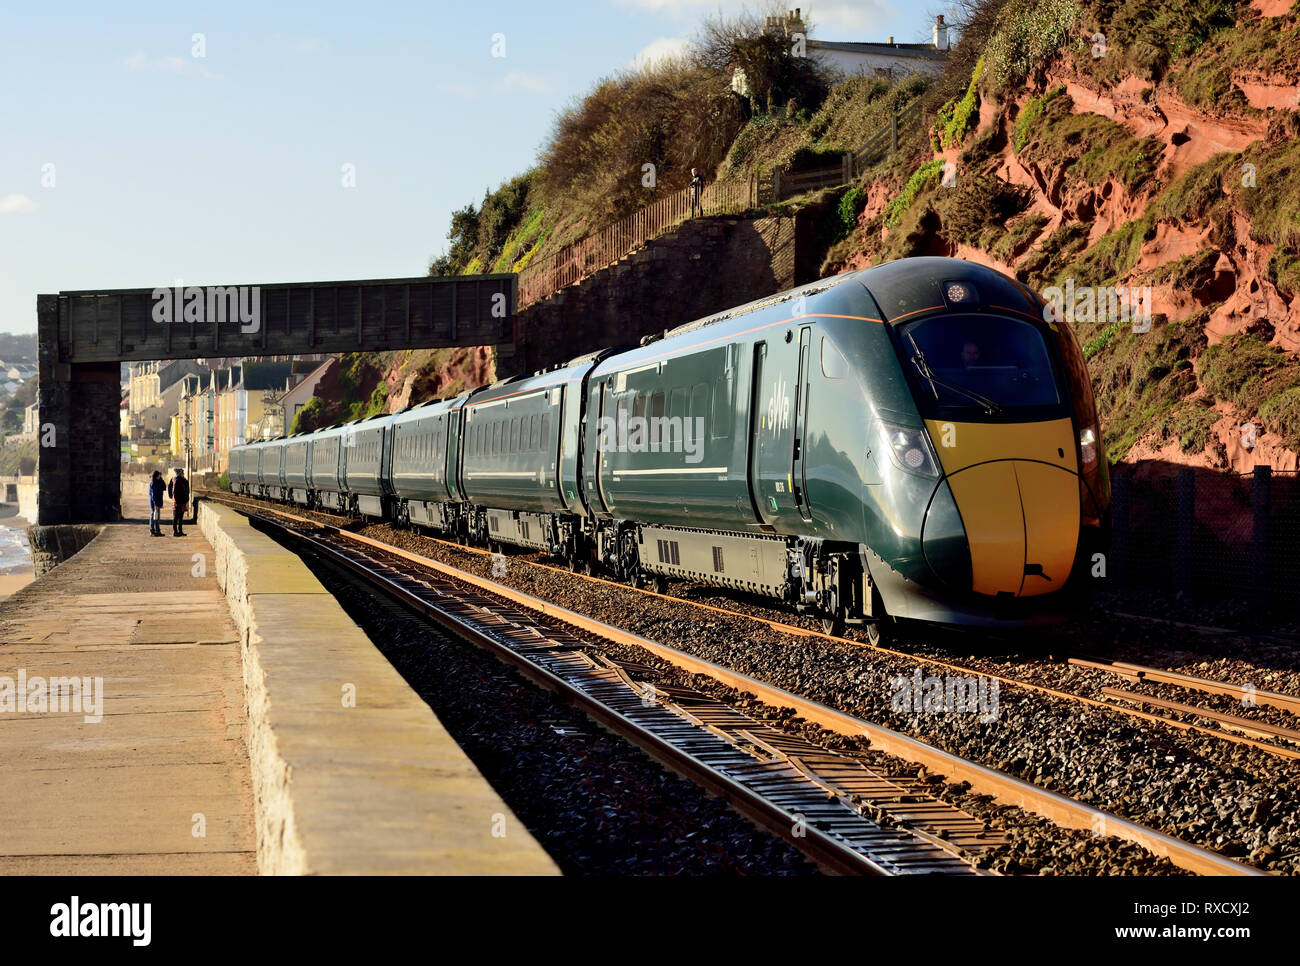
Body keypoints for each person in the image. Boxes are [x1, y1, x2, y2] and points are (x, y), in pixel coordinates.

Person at [167, 467, 190, 536]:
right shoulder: (184, 481)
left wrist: (171, 496)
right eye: (183, 473)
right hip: (181, 501)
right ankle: (178, 531)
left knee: (176, 517)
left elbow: (169, 489)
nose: (183, 474)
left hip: (176, 502)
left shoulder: (173, 479)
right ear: (180, 473)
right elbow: (187, 491)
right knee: (179, 517)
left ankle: (176, 531)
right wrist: (186, 499)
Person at [148, 470, 165, 537]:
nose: (160, 476)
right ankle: (153, 531)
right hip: (154, 503)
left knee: (156, 517)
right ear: (156, 476)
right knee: (154, 517)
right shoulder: (153, 483)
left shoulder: (158, 482)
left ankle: (156, 530)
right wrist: (155, 504)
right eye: (159, 476)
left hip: (157, 502)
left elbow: (164, 487)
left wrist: (161, 479)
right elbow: (153, 495)